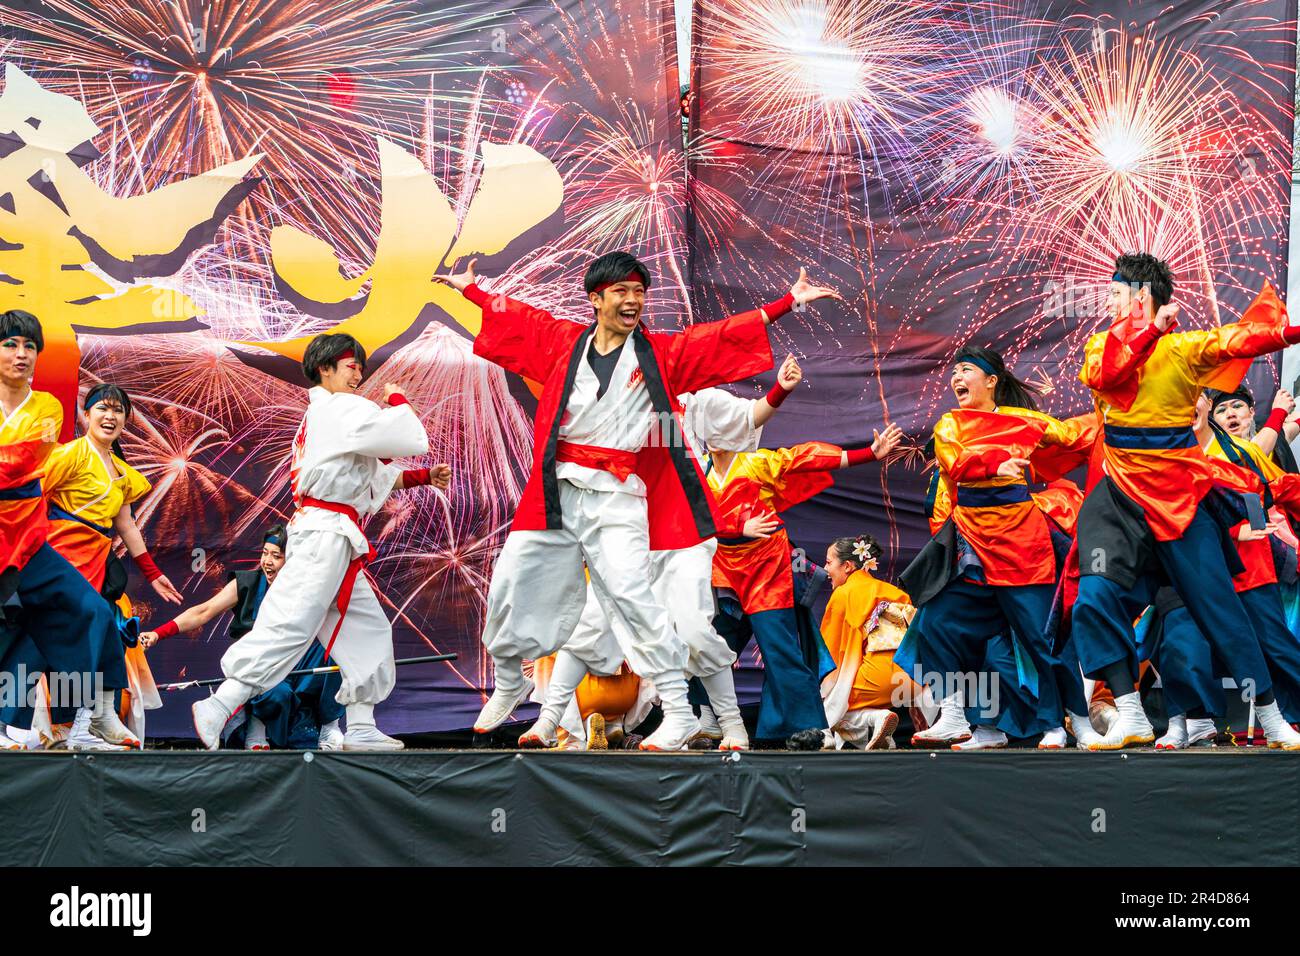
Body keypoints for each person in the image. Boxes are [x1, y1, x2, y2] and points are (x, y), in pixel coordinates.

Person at [438, 250, 839, 751]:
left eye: (639, 293)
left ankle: (681, 712)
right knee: (511, 583)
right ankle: (510, 679)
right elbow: (522, 318)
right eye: (622, 292)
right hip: (559, 491)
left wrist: (786, 304)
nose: (633, 302)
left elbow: (716, 338)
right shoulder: (566, 344)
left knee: (640, 604)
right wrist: (472, 291)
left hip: (629, 503)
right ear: (596, 299)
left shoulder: (664, 360)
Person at [1072, 253, 1300, 750]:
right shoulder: (1099, 346)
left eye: (1114, 293)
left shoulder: (1183, 350)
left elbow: (1239, 338)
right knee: (1093, 598)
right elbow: (1110, 375)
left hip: (1179, 499)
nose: (1106, 302)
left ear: (1140, 296)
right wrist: (1148, 331)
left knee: (1221, 612)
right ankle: (1130, 712)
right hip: (1119, 497)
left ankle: (1271, 715)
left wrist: (1291, 331)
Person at [518, 356, 804, 751]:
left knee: (695, 632)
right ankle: (550, 720)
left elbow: (747, 417)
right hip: (625, 532)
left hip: (680, 533)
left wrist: (781, 389)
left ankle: (732, 726)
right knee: (590, 624)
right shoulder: (604, 395)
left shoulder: (692, 399)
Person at [191, 333, 448, 751]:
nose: (359, 374)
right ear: (325, 368)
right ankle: (222, 703)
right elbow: (410, 438)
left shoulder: (329, 414)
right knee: (292, 619)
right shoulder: (340, 408)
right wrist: (398, 399)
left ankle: (362, 726)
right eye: (351, 365)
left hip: (335, 532)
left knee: (367, 628)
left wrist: (420, 478)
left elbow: (360, 477)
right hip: (324, 532)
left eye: (361, 367)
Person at [895, 344, 1098, 751]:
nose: (956, 378)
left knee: (1042, 640)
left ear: (991, 381)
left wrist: (1115, 402)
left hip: (1022, 543)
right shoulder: (949, 425)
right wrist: (994, 465)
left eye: (966, 370)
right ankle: (973, 721)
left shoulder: (1024, 421)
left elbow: (1076, 433)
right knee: (938, 625)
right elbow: (955, 462)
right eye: (954, 372)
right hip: (973, 546)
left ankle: (1071, 721)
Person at [703, 424, 903, 745]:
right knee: (708, 642)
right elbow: (689, 516)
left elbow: (804, 458)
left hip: (766, 572)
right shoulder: (700, 471)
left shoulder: (755, 463)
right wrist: (738, 526)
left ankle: (807, 728)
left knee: (779, 648)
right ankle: (706, 715)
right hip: (723, 573)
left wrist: (866, 454)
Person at [0, 310, 131, 751]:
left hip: (31, 539)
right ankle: (15, 725)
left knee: (91, 614)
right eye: (10, 345)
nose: (21, 354)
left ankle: (98, 712)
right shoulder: (75, 453)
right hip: (23, 539)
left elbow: (25, 463)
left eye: (29, 347)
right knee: (16, 632)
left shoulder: (47, 407)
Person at [143, 524, 346, 750]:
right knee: (274, 688)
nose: (267, 561)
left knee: (335, 648)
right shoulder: (248, 583)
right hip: (262, 666)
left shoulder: (309, 588)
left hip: (297, 667)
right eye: (264, 553)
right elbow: (203, 611)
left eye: (276, 556)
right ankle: (254, 729)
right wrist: (157, 633)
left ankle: (331, 726)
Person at [810, 533, 928, 749]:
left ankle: (877, 719)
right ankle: (884, 736)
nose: (825, 569)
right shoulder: (893, 591)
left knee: (829, 705)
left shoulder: (844, 593)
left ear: (847, 566)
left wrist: (825, 687)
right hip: (915, 677)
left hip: (879, 676)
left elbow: (830, 653)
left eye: (828, 562)